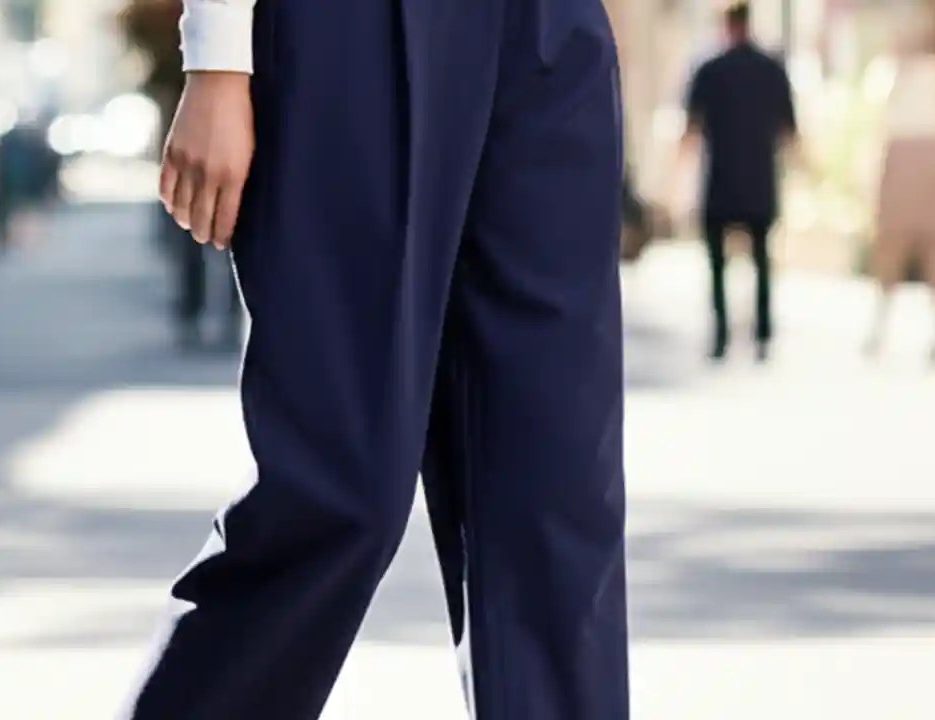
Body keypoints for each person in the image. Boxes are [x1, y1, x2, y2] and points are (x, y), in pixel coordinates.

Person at [121, 0, 628, 717]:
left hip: (550, 27)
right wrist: (218, 57)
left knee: (557, 488)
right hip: (350, 27)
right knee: (339, 488)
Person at [122, 0, 243, 351]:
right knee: (195, 225)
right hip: (191, 112)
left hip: (216, 109)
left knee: (224, 222)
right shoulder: (155, 18)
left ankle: (220, 311)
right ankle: (198, 309)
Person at [683, 2, 798, 362]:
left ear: (727, 27)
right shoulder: (771, 70)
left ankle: (721, 336)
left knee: (717, 264)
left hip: (720, 179)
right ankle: (762, 335)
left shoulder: (710, 70)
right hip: (759, 179)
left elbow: (691, 129)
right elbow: (790, 132)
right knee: (761, 260)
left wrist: (673, 182)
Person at [866, 8, 935, 366]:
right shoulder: (897, 69)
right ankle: (882, 324)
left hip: (928, 155)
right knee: (893, 243)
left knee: (934, 245)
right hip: (909, 154)